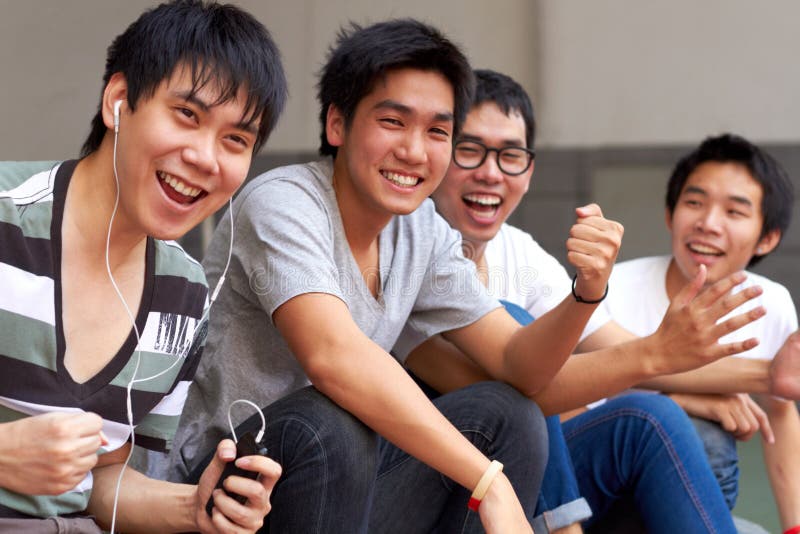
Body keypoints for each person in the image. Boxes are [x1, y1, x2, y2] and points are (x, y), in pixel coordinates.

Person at [165, 19, 631, 534]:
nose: (414, 150)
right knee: (330, 421)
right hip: (220, 483)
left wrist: (586, 291)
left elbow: (517, 363)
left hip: (341, 487)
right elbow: (333, 359)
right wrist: (487, 481)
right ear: (337, 124)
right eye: (393, 121)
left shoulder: (421, 230)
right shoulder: (283, 203)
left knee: (508, 413)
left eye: (437, 131)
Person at [403, 70, 783, 533]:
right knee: (521, 332)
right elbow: (527, 393)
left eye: (510, 155)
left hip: (531, 468)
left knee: (654, 419)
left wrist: (762, 376)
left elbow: (618, 352)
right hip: (439, 476)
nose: (490, 172)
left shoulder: (519, 251)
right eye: (469, 149)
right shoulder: (409, 243)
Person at [0, 1, 287, 532]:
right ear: (118, 101)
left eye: (236, 140)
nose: (206, 157)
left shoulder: (184, 293)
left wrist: (197, 507)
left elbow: (101, 483)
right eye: (187, 115)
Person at [599, 133, 800, 532]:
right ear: (670, 214)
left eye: (734, 212)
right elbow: (576, 406)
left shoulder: (769, 303)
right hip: (600, 494)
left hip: (679, 506)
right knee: (698, 434)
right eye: (694, 203)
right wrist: (679, 401)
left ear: (768, 237)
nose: (708, 224)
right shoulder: (609, 287)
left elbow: (781, 416)